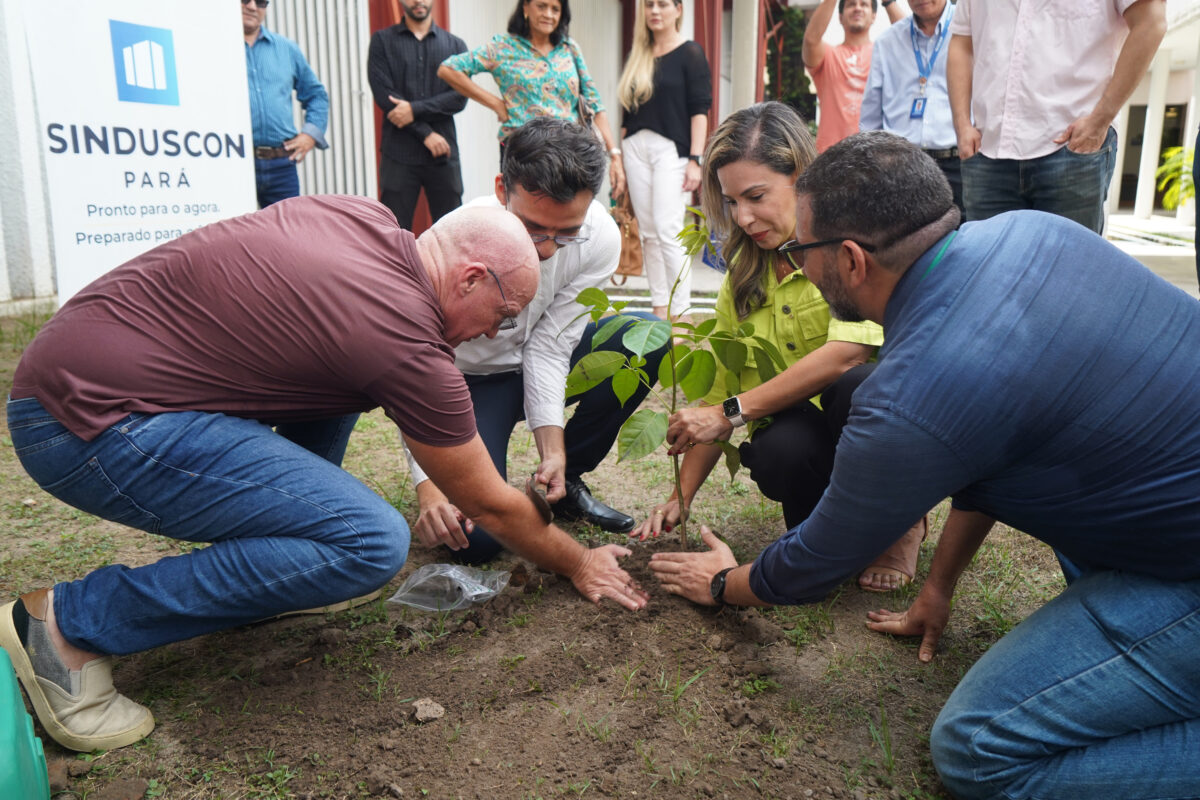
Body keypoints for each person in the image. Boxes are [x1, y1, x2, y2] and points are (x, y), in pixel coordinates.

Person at [648, 130, 1200, 799]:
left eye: (804, 252)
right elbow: (992, 461)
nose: (798, 264)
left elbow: (814, 562)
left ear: (849, 260)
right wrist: (939, 588)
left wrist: (721, 584)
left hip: (1185, 574)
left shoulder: (914, 392)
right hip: (1165, 507)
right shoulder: (1031, 233)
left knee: (977, 750)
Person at [0, 197, 649, 754]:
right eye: (503, 315)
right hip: (86, 423)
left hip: (83, 368)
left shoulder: (365, 221)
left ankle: (281, 561)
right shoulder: (402, 339)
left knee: (338, 393)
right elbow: (492, 504)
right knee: (371, 543)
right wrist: (579, 563)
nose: (497, 331)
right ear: (472, 278)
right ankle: (64, 630)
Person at [634, 103, 925, 593]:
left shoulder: (848, 247)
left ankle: (902, 524)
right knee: (777, 448)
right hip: (805, 437)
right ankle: (825, 539)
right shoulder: (743, 279)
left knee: (860, 387)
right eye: (730, 202)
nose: (743, 217)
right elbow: (718, 399)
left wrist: (731, 411)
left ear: (802, 179)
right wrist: (679, 497)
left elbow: (849, 353)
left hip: (868, 425)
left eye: (756, 196)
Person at [405, 118, 668, 563]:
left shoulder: (599, 235)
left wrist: (554, 453)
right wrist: (429, 487)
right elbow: (415, 370)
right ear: (501, 189)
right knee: (476, 542)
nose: (547, 249)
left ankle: (565, 481)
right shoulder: (448, 243)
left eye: (566, 233)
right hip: (468, 384)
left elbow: (551, 345)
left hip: (541, 362)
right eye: (532, 229)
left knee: (646, 337)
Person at [947, 0, 1167, 234]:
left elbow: (1151, 22)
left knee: (1068, 267)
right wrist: (962, 125)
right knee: (991, 267)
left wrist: (1099, 121)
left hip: (1071, 152)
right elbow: (962, 42)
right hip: (988, 150)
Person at [436, 0, 625, 196]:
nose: (548, 14)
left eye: (555, 9)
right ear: (525, 7)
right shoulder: (503, 47)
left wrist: (614, 155)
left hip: (570, 154)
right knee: (524, 221)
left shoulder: (570, 49)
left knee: (566, 221)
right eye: (541, 6)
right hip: (524, 153)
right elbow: (448, 69)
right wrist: (495, 104)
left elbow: (595, 103)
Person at [617, 0, 712, 321]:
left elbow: (700, 111)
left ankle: (681, 311)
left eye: (662, 4)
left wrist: (695, 160)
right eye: (649, 5)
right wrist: (620, 157)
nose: (655, 11)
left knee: (669, 229)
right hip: (634, 148)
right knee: (648, 233)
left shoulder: (690, 53)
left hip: (672, 150)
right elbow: (626, 113)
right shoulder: (638, 55)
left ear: (678, 9)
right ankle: (659, 307)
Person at [367, 0, 468, 229]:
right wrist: (426, 134)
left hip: (443, 154)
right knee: (392, 234)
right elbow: (386, 98)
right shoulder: (382, 42)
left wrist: (413, 110)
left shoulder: (455, 46)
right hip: (398, 154)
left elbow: (459, 98)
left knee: (452, 231)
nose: (419, 1)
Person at [859, 0, 962, 213]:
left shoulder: (967, 30)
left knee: (964, 240)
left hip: (960, 164)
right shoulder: (887, 42)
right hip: (902, 167)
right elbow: (870, 117)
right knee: (910, 242)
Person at [242, 0, 330, 208]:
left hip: (281, 164)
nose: (253, 7)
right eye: (245, 0)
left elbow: (316, 95)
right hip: (234, 163)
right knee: (231, 237)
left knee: (287, 235)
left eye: (261, 2)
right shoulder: (213, 49)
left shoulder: (287, 49)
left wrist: (310, 134)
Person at [803, 0, 904, 153]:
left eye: (864, 4)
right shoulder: (827, 55)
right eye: (851, 4)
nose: (857, 8)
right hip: (832, 157)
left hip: (877, 155)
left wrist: (888, 2)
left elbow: (909, 38)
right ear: (840, 17)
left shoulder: (884, 55)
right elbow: (810, 40)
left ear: (874, 16)